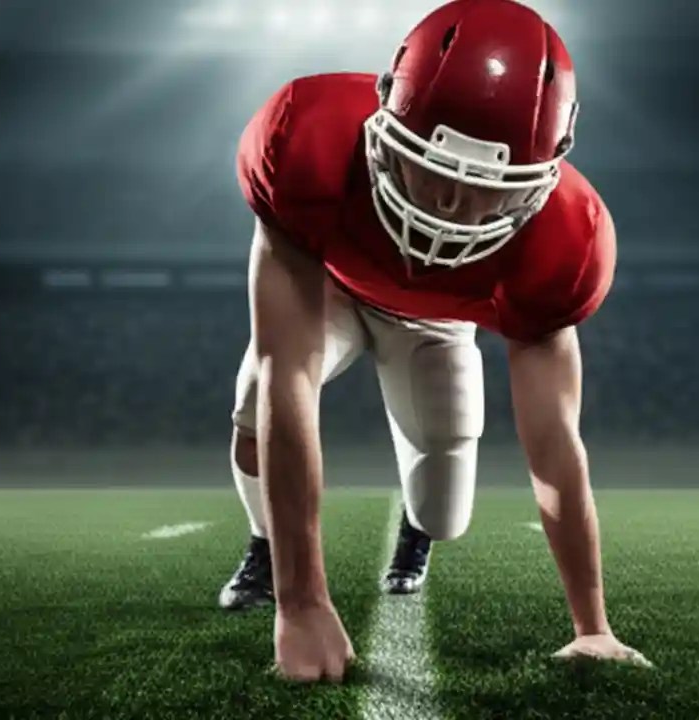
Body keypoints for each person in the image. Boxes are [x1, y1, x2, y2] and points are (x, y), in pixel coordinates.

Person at [219, 0, 654, 682]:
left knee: (445, 511)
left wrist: (592, 628)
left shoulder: (569, 242)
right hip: (327, 288)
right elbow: (289, 375)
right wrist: (302, 602)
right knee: (254, 403)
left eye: (483, 187)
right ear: (382, 108)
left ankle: (417, 533)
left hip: (434, 324)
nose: (449, 209)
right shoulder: (304, 136)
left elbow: (555, 447)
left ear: (546, 173)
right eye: (432, 166)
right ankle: (264, 547)